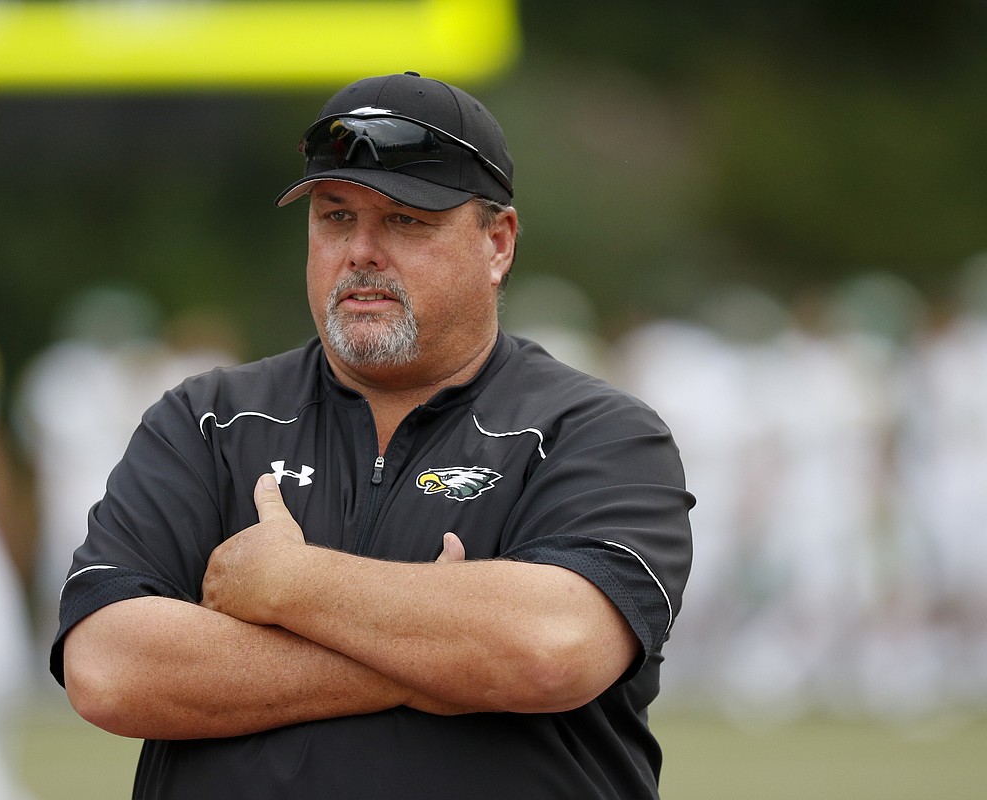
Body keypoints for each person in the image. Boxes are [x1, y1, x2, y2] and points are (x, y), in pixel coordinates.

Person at [51, 71, 694, 799]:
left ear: (497, 244)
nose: (361, 251)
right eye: (335, 217)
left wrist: (287, 584)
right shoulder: (209, 420)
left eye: (406, 220)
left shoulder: (594, 432)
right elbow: (108, 670)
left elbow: (552, 649)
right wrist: (442, 659)